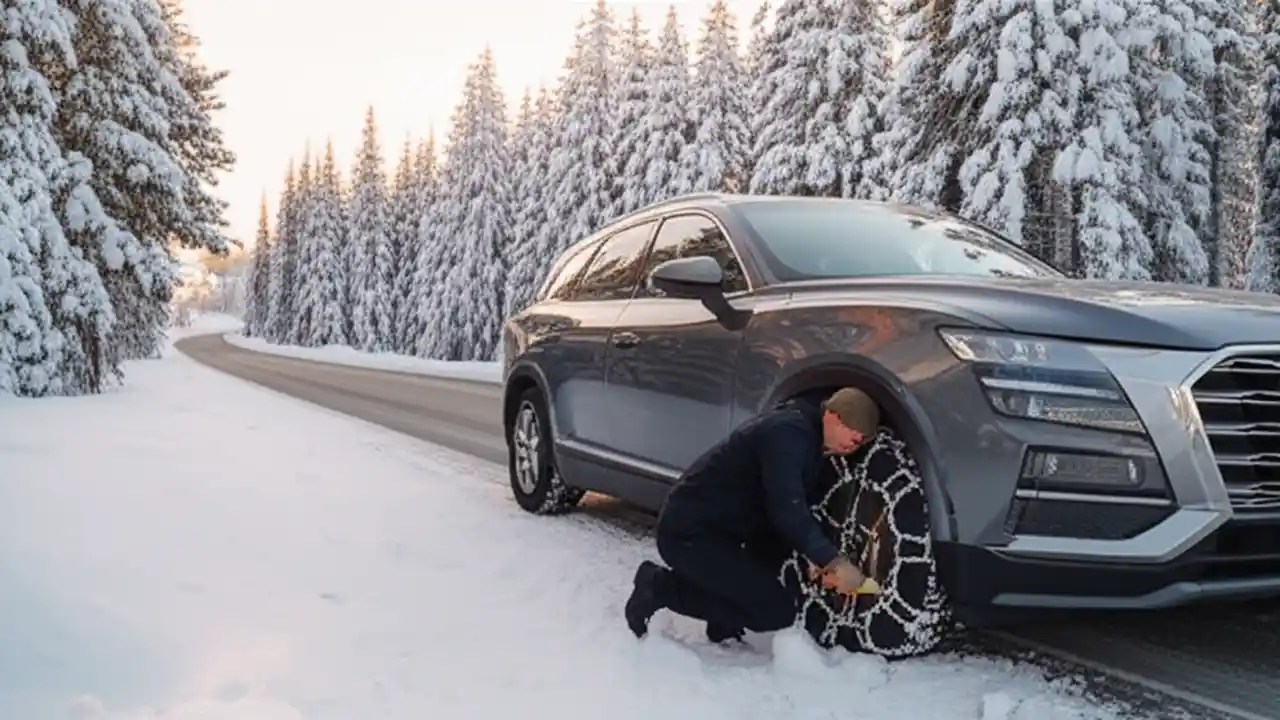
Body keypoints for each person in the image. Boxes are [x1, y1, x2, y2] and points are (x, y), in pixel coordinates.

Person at [624, 387, 881, 643]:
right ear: (833, 416)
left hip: (727, 533)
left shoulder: (809, 435)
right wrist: (832, 561)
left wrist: (812, 560)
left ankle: (722, 622)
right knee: (774, 612)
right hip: (689, 533)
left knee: (765, 571)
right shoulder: (787, 434)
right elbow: (787, 509)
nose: (852, 446)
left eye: (860, 442)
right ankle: (657, 586)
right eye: (854, 437)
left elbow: (788, 507)